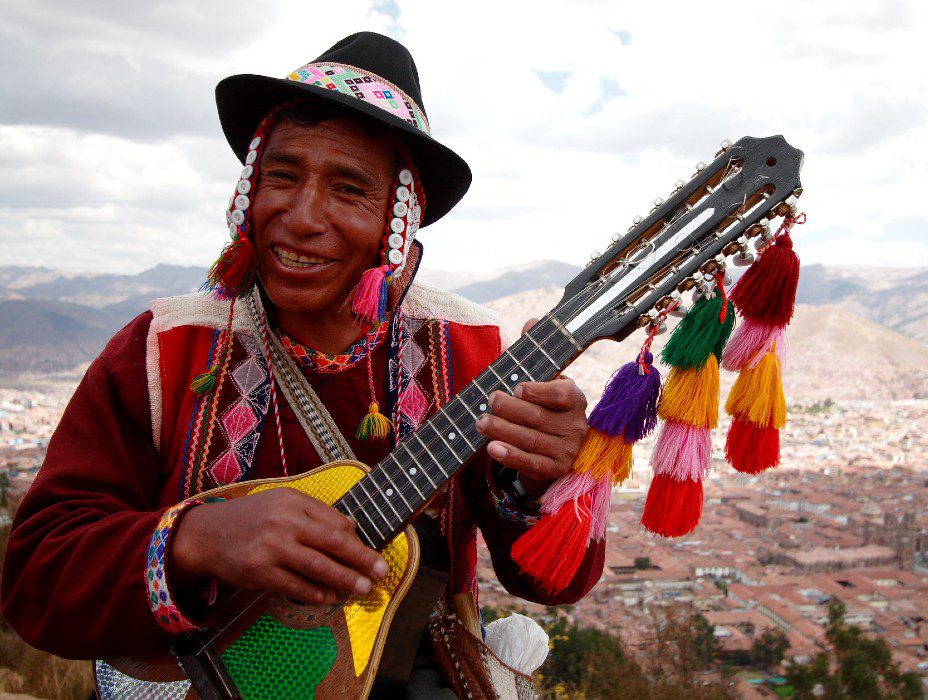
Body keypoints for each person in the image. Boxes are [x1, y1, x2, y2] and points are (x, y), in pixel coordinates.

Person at [1, 32, 603, 696]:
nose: (301, 216)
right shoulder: (163, 349)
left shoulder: (470, 352)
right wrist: (199, 540)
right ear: (249, 192)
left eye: (348, 189)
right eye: (282, 176)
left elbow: (554, 579)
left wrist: (545, 482)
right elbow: (36, 578)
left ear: (397, 219)